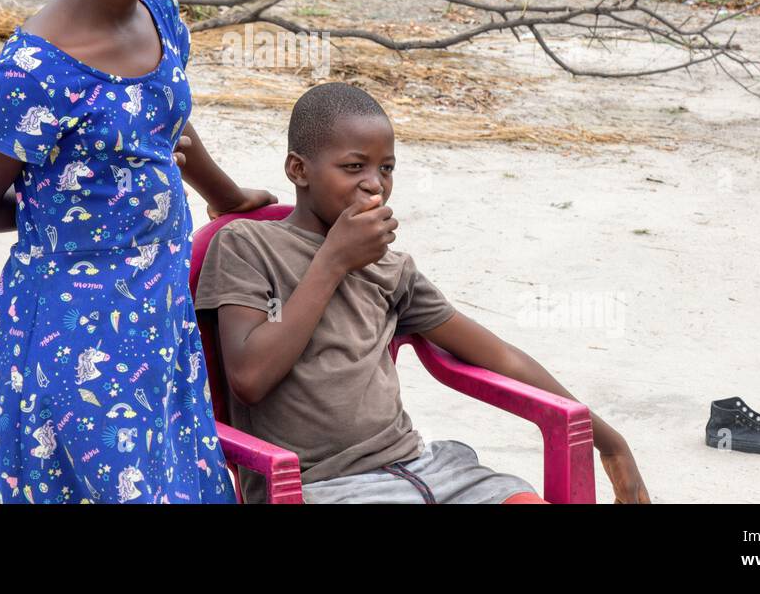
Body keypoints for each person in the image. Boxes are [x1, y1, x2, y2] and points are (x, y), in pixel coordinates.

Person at [0, 0, 275, 503]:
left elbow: (165, 128)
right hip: (65, 349)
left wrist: (223, 192)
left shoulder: (161, 17)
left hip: (156, 325)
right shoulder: (35, 70)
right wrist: (77, 215)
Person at [194, 82, 652, 504]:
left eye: (386, 168)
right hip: (325, 487)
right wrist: (333, 261)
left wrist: (609, 441)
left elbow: (499, 356)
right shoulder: (246, 245)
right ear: (299, 169)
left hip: (431, 470)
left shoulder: (390, 266)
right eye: (354, 166)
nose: (375, 183)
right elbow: (250, 379)